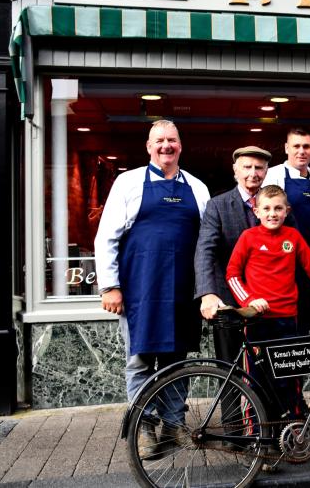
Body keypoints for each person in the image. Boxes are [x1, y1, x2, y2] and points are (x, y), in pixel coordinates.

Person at [95, 119, 210, 454]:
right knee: (140, 361)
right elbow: (106, 237)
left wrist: (208, 289)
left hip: (183, 291)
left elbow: (207, 243)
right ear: (148, 147)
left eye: (171, 140)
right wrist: (110, 287)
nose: (165, 146)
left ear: (180, 146)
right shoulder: (128, 182)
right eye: (159, 140)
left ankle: (173, 426)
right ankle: (143, 428)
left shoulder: (197, 188)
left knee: (177, 362)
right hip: (140, 290)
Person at [226, 185, 310, 418]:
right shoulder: (248, 237)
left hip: (288, 320)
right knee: (256, 380)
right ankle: (257, 433)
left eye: (278, 208)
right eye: (267, 208)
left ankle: (292, 427)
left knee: (290, 378)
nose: (272, 213)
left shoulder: (293, 236)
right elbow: (232, 274)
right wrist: (250, 300)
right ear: (256, 211)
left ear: (287, 211)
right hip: (258, 321)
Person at [194, 145, 272, 363]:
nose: (253, 173)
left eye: (259, 168)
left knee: (268, 370)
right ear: (235, 170)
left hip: (268, 301)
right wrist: (207, 293)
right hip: (228, 302)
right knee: (230, 367)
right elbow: (205, 250)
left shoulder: (276, 205)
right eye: (247, 167)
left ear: (266, 171)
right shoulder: (217, 205)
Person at [263, 128, 310, 334]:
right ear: (286, 148)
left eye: (306, 146)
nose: (301, 151)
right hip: (283, 267)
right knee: (282, 330)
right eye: (296, 146)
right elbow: (265, 223)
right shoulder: (273, 175)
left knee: (308, 330)